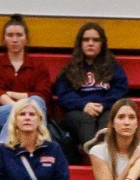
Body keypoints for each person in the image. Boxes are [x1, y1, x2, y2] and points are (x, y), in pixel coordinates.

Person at [53, 21, 130, 153]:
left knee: (109, 118)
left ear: (102, 44)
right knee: (85, 119)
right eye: (86, 40)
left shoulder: (113, 67)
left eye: (95, 40)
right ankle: (94, 150)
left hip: (105, 109)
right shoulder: (70, 68)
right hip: (78, 113)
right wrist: (84, 105)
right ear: (80, 44)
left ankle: (99, 148)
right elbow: (64, 94)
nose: (90, 43)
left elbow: (121, 89)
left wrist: (103, 105)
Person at [0, 15, 54, 138]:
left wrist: (12, 95)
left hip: (31, 113)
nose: (14, 40)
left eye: (19, 35)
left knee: (37, 103)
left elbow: (43, 94)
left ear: (26, 39)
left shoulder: (38, 66)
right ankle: (42, 149)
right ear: (4, 39)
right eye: (10, 35)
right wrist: (20, 109)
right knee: (30, 111)